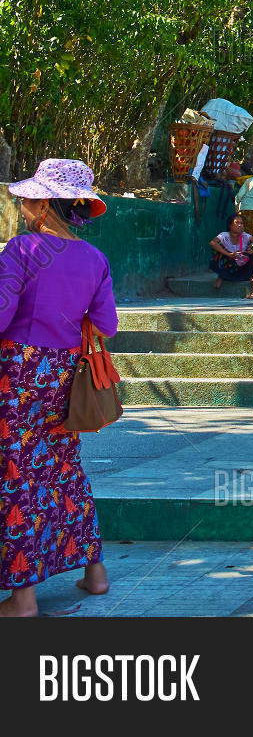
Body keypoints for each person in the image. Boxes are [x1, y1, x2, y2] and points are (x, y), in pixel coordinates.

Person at [0, 158, 116, 616]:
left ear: (47, 203)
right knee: (64, 469)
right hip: (67, 374)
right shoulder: (95, 259)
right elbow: (106, 323)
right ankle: (95, 573)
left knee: (16, 475)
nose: (24, 205)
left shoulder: (22, 250)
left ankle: (23, 597)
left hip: (19, 372)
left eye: (30, 198)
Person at [209, 213, 253, 286]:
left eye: (241, 223)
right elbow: (212, 243)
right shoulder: (224, 235)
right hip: (228, 264)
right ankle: (222, 276)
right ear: (230, 225)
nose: (240, 225)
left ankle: (249, 275)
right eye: (237, 223)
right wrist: (229, 254)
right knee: (217, 247)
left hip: (242, 264)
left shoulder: (245, 236)